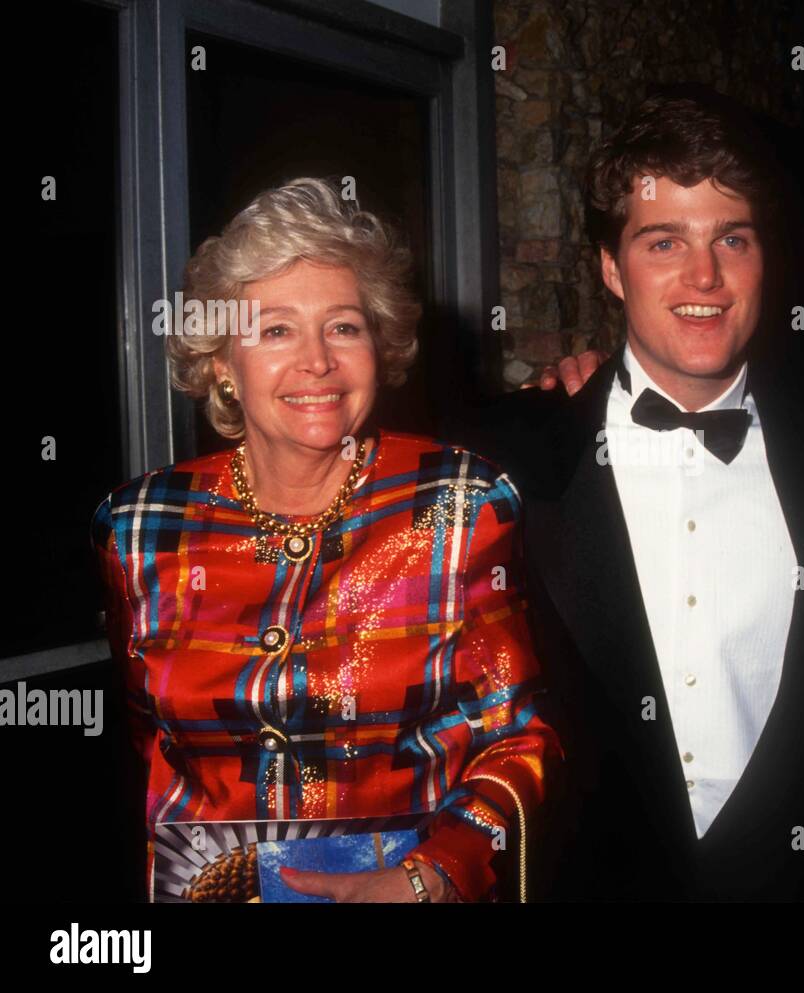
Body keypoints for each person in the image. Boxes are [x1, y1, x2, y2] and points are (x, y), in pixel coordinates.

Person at [91, 178, 558, 903]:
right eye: (276, 329)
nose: (317, 360)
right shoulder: (140, 527)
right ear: (221, 361)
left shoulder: (461, 506)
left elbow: (520, 741)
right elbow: (147, 757)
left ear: (379, 343)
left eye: (343, 325)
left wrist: (434, 871)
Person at [450, 91, 804, 900]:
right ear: (611, 266)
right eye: (663, 240)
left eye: (731, 239)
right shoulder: (508, 466)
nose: (703, 276)